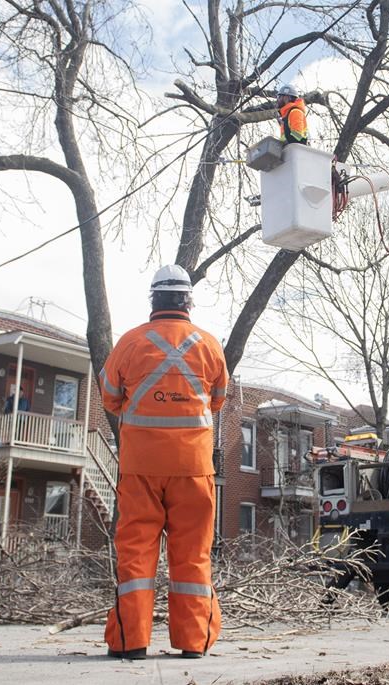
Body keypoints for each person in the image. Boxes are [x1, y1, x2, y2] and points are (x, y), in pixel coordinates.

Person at [101, 264, 228, 660]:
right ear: (188, 300)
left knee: (136, 553)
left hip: (141, 467)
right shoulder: (209, 345)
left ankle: (130, 642)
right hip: (193, 467)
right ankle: (194, 642)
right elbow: (219, 398)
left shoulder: (129, 343)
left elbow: (109, 396)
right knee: (193, 553)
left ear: (153, 300)